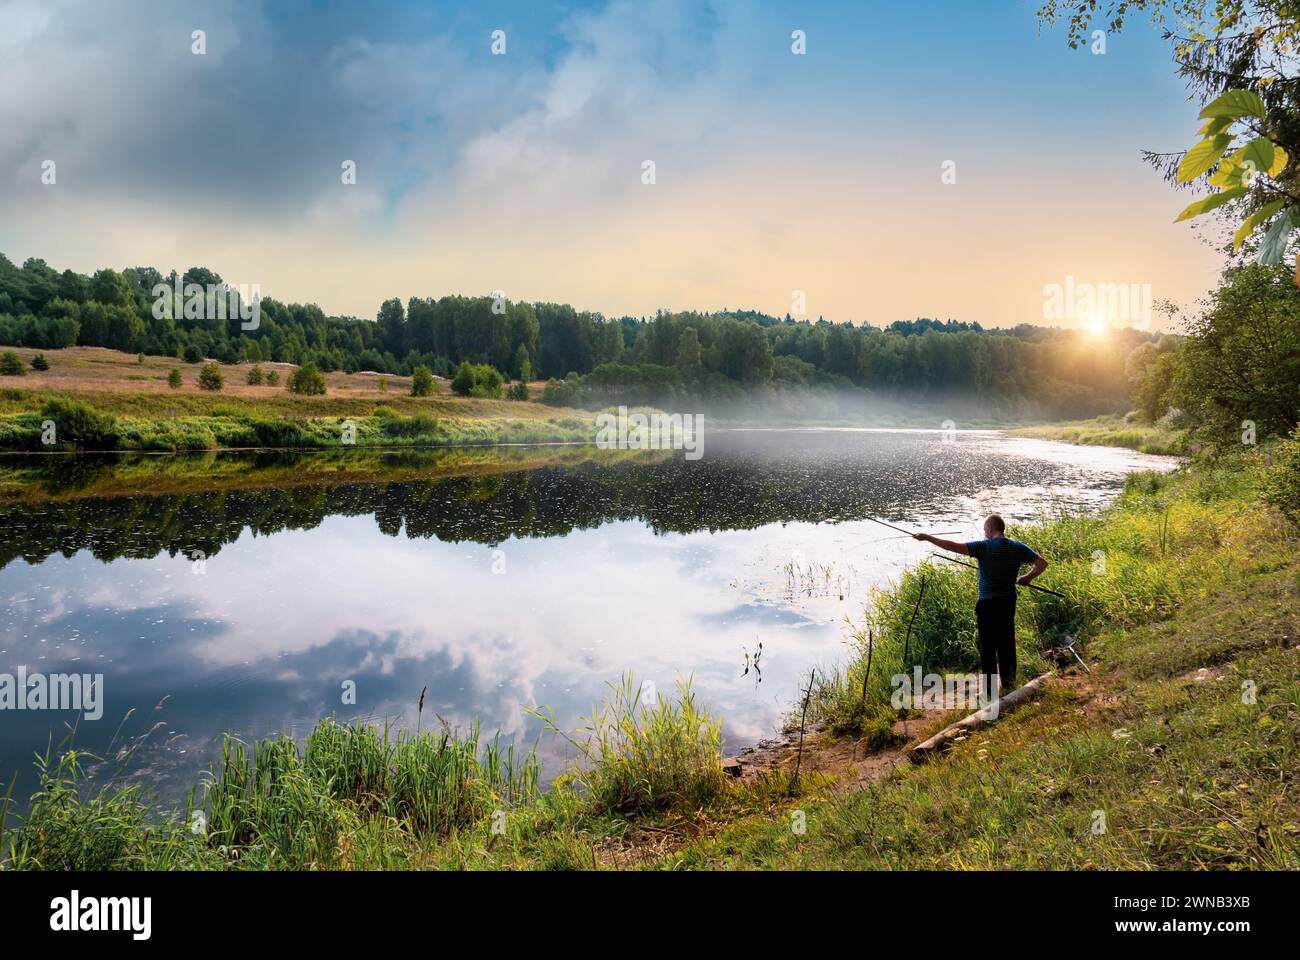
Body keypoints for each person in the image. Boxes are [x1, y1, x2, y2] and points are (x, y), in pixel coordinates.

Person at [913, 514, 1048, 701]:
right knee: (1006, 642)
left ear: (991, 529)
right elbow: (1042, 564)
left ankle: (990, 692)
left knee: (988, 647)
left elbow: (951, 546)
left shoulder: (983, 547)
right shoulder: (1018, 547)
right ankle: (1009, 684)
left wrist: (927, 537)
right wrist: (1026, 578)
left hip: (987, 604)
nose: (984, 533)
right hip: (1008, 601)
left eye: (985, 530)